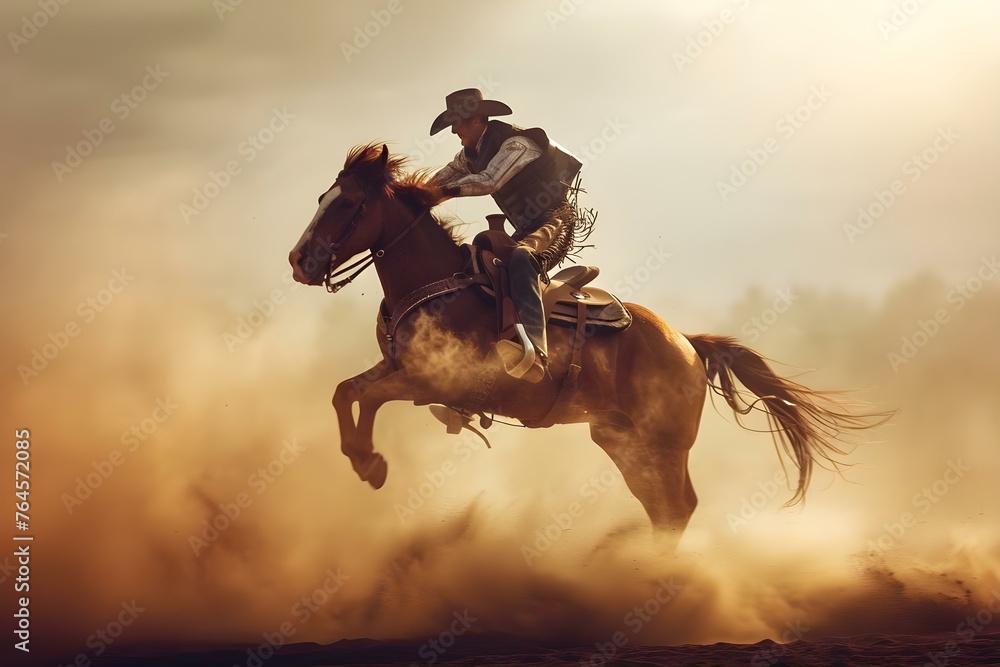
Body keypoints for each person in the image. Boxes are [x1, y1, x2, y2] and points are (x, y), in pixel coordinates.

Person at [427, 88, 582, 383]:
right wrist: (407, 193)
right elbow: (437, 181)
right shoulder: (468, 156)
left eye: (457, 122)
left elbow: (488, 181)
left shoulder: (517, 144)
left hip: (552, 222)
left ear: (477, 120)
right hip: (524, 229)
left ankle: (536, 352)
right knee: (472, 265)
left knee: (523, 259)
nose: (454, 130)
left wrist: (439, 193)